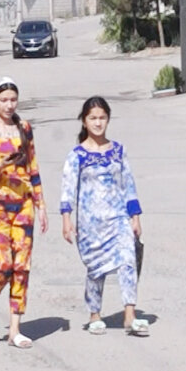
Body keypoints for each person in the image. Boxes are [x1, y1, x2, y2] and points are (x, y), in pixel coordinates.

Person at [0, 76, 48, 348]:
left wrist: (41, 203)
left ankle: (15, 329)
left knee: (22, 266)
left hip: (23, 204)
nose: (9, 105)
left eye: (13, 99)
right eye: (3, 100)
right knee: (1, 265)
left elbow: (33, 167)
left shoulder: (24, 128)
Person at [59, 96, 148, 336]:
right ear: (84, 122)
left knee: (128, 259)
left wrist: (135, 216)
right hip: (90, 224)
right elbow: (68, 189)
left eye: (102, 118)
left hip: (118, 218)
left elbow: (128, 183)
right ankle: (94, 314)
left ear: (108, 119)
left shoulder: (118, 150)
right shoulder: (76, 155)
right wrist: (66, 219)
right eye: (93, 118)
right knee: (95, 270)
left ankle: (130, 313)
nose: (98, 123)